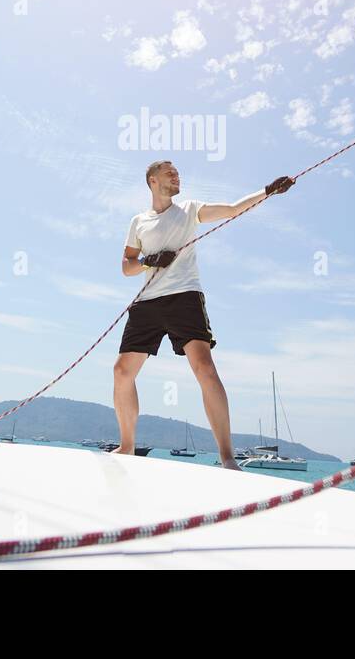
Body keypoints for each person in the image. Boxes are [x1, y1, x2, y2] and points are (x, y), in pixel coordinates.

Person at [114, 159, 294, 470]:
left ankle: (227, 457)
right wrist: (150, 260)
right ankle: (126, 447)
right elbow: (126, 267)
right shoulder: (138, 221)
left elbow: (232, 209)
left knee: (204, 369)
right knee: (122, 372)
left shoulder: (189, 210)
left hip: (184, 297)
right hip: (148, 302)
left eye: (177, 172)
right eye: (169, 172)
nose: (176, 174)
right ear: (152, 181)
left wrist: (267, 192)